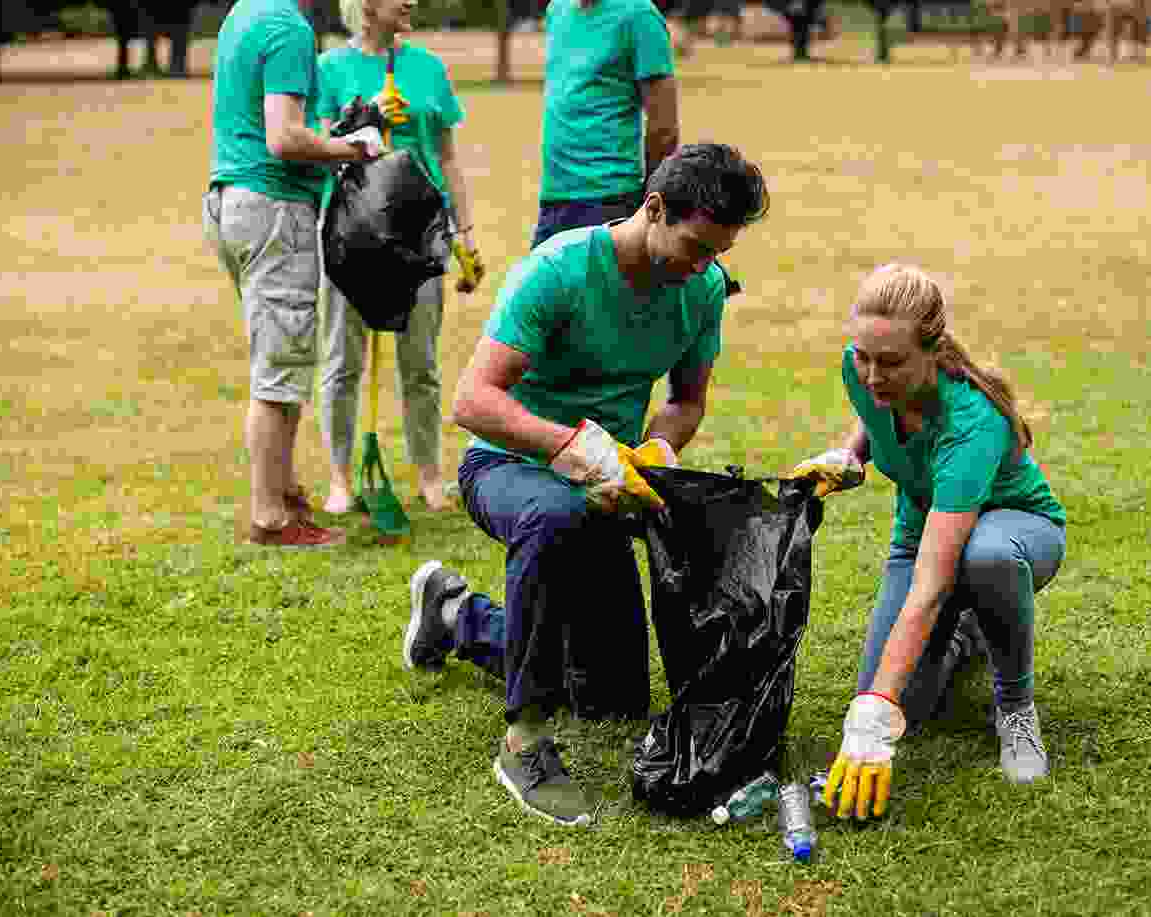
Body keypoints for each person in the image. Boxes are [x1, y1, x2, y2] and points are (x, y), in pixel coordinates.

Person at [400, 144, 770, 827]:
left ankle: (454, 615)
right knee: (554, 515)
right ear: (654, 208)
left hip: (610, 486)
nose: (703, 266)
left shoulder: (703, 289)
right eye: (695, 245)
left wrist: (655, 450)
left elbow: (687, 400)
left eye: (718, 252)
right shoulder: (560, 270)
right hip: (510, 467)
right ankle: (523, 742)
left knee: (610, 698)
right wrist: (574, 449)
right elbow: (473, 401)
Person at [788, 264, 1067, 822]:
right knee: (910, 704)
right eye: (863, 356)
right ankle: (971, 633)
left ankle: (1015, 707)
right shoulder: (862, 370)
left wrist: (871, 722)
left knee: (980, 558)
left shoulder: (972, 423)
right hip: (924, 538)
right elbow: (875, 411)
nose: (870, 375)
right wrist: (852, 455)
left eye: (890, 362)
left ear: (933, 353)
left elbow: (929, 587)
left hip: (1016, 531)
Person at [203, 0, 379, 549]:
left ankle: (280, 489)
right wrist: (354, 148)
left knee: (278, 357)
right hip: (275, 208)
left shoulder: (244, 13)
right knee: (279, 371)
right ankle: (271, 517)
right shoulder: (288, 28)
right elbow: (284, 138)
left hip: (230, 200)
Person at [316, 0, 485, 514]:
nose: (411, 1)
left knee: (422, 364)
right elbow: (320, 145)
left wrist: (466, 231)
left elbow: (448, 156)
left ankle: (430, 477)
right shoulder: (330, 69)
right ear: (366, 4)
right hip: (352, 230)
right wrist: (365, 116)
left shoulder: (429, 68)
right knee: (343, 362)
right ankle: (341, 480)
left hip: (420, 229)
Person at [531, 0, 681, 250]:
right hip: (554, 199)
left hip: (609, 201)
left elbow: (664, 127)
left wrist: (646, 205)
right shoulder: (557, 10)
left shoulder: (639, 15)